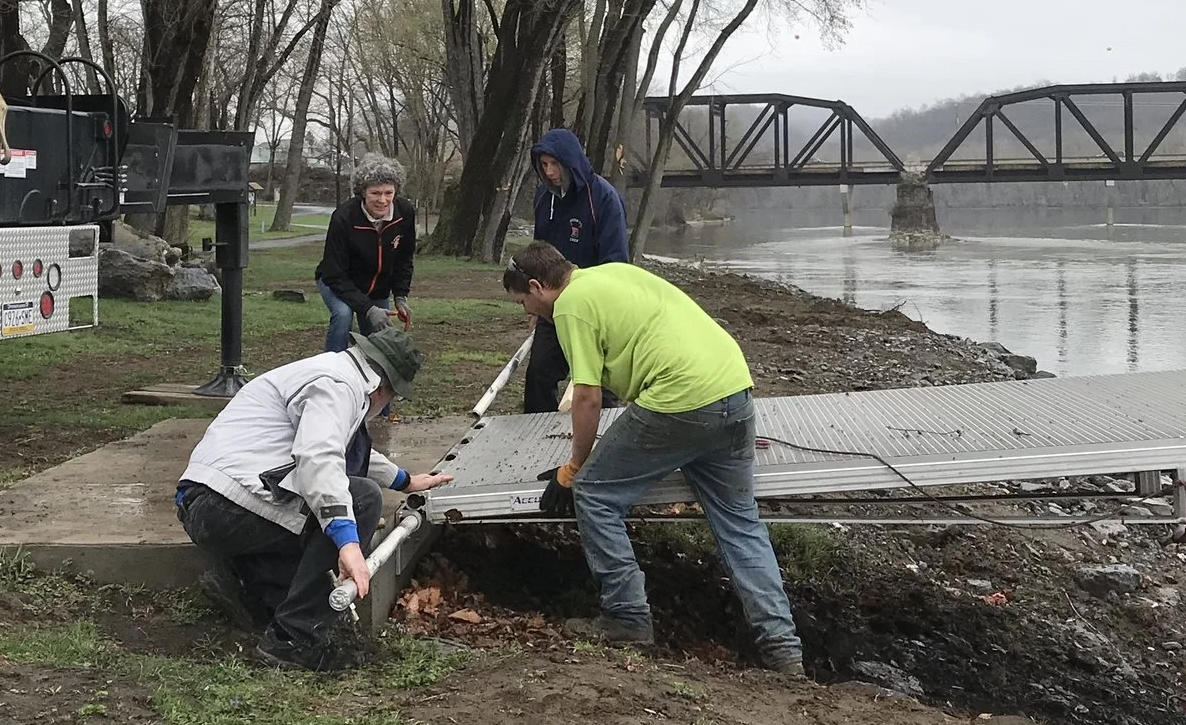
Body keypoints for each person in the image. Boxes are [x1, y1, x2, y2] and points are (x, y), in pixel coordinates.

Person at [502, 240, 803, 676]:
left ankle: (627, 618)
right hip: (733, 390)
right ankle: (783, 651)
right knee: (740, 523)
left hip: (680, 399)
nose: (528, 313)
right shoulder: (612, 274)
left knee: (595, 494)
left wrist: (573, 469)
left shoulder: (570, 306)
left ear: (537, 286)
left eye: (524, 303)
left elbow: (586, 396)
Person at [175, 322, 451, 673]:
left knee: (315, 547)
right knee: (362, 499)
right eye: (394, 398)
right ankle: (295, 639)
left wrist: (404, 480)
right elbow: (320, 459)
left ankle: (250, 587)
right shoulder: (335, 388)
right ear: (385, 389)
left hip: (209, 501)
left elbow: (337, 448)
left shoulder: (333, 374)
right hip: (227, 505)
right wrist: (348, 541)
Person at [523, 127, 628, 411]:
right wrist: (535, 305)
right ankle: (535, 435)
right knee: (539, 374)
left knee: (599, 381)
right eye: (544, 165)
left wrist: (608, 307)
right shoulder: (544, 199)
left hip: (595, 306)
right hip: (553, 304)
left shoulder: (604, 198)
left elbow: (616, 259)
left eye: (555, 164)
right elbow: (539, 252)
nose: (550, 172)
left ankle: (605, 436)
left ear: (570, 161)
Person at [314, 152, 417, 354]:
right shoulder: (343, 217)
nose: (383, 200)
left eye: (389, 193)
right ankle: (332, 370)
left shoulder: (404, 212)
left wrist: (400, 296)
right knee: (343, 315)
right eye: (375, 193)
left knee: (378, 339)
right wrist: (368, 309)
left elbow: (404, 258)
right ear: (363, 192)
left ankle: (373, 379)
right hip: (338, 282)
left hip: (378, 287)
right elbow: (335, 273)